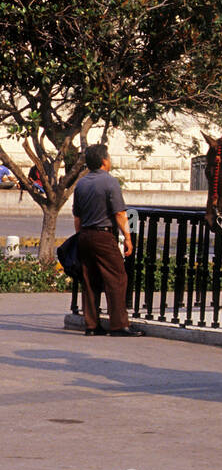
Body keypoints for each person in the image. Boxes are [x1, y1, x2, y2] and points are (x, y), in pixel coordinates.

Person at [72, 144, 140, 337]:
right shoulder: (110, 182)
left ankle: (92, 325)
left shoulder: (81, 184)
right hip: (103, 235)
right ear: (104, 161)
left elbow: (77, 217)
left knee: (89, 280)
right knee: (117, 277)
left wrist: (80, 236)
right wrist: (127, 237)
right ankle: (119, 325)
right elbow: (119, 213)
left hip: (85, 234)